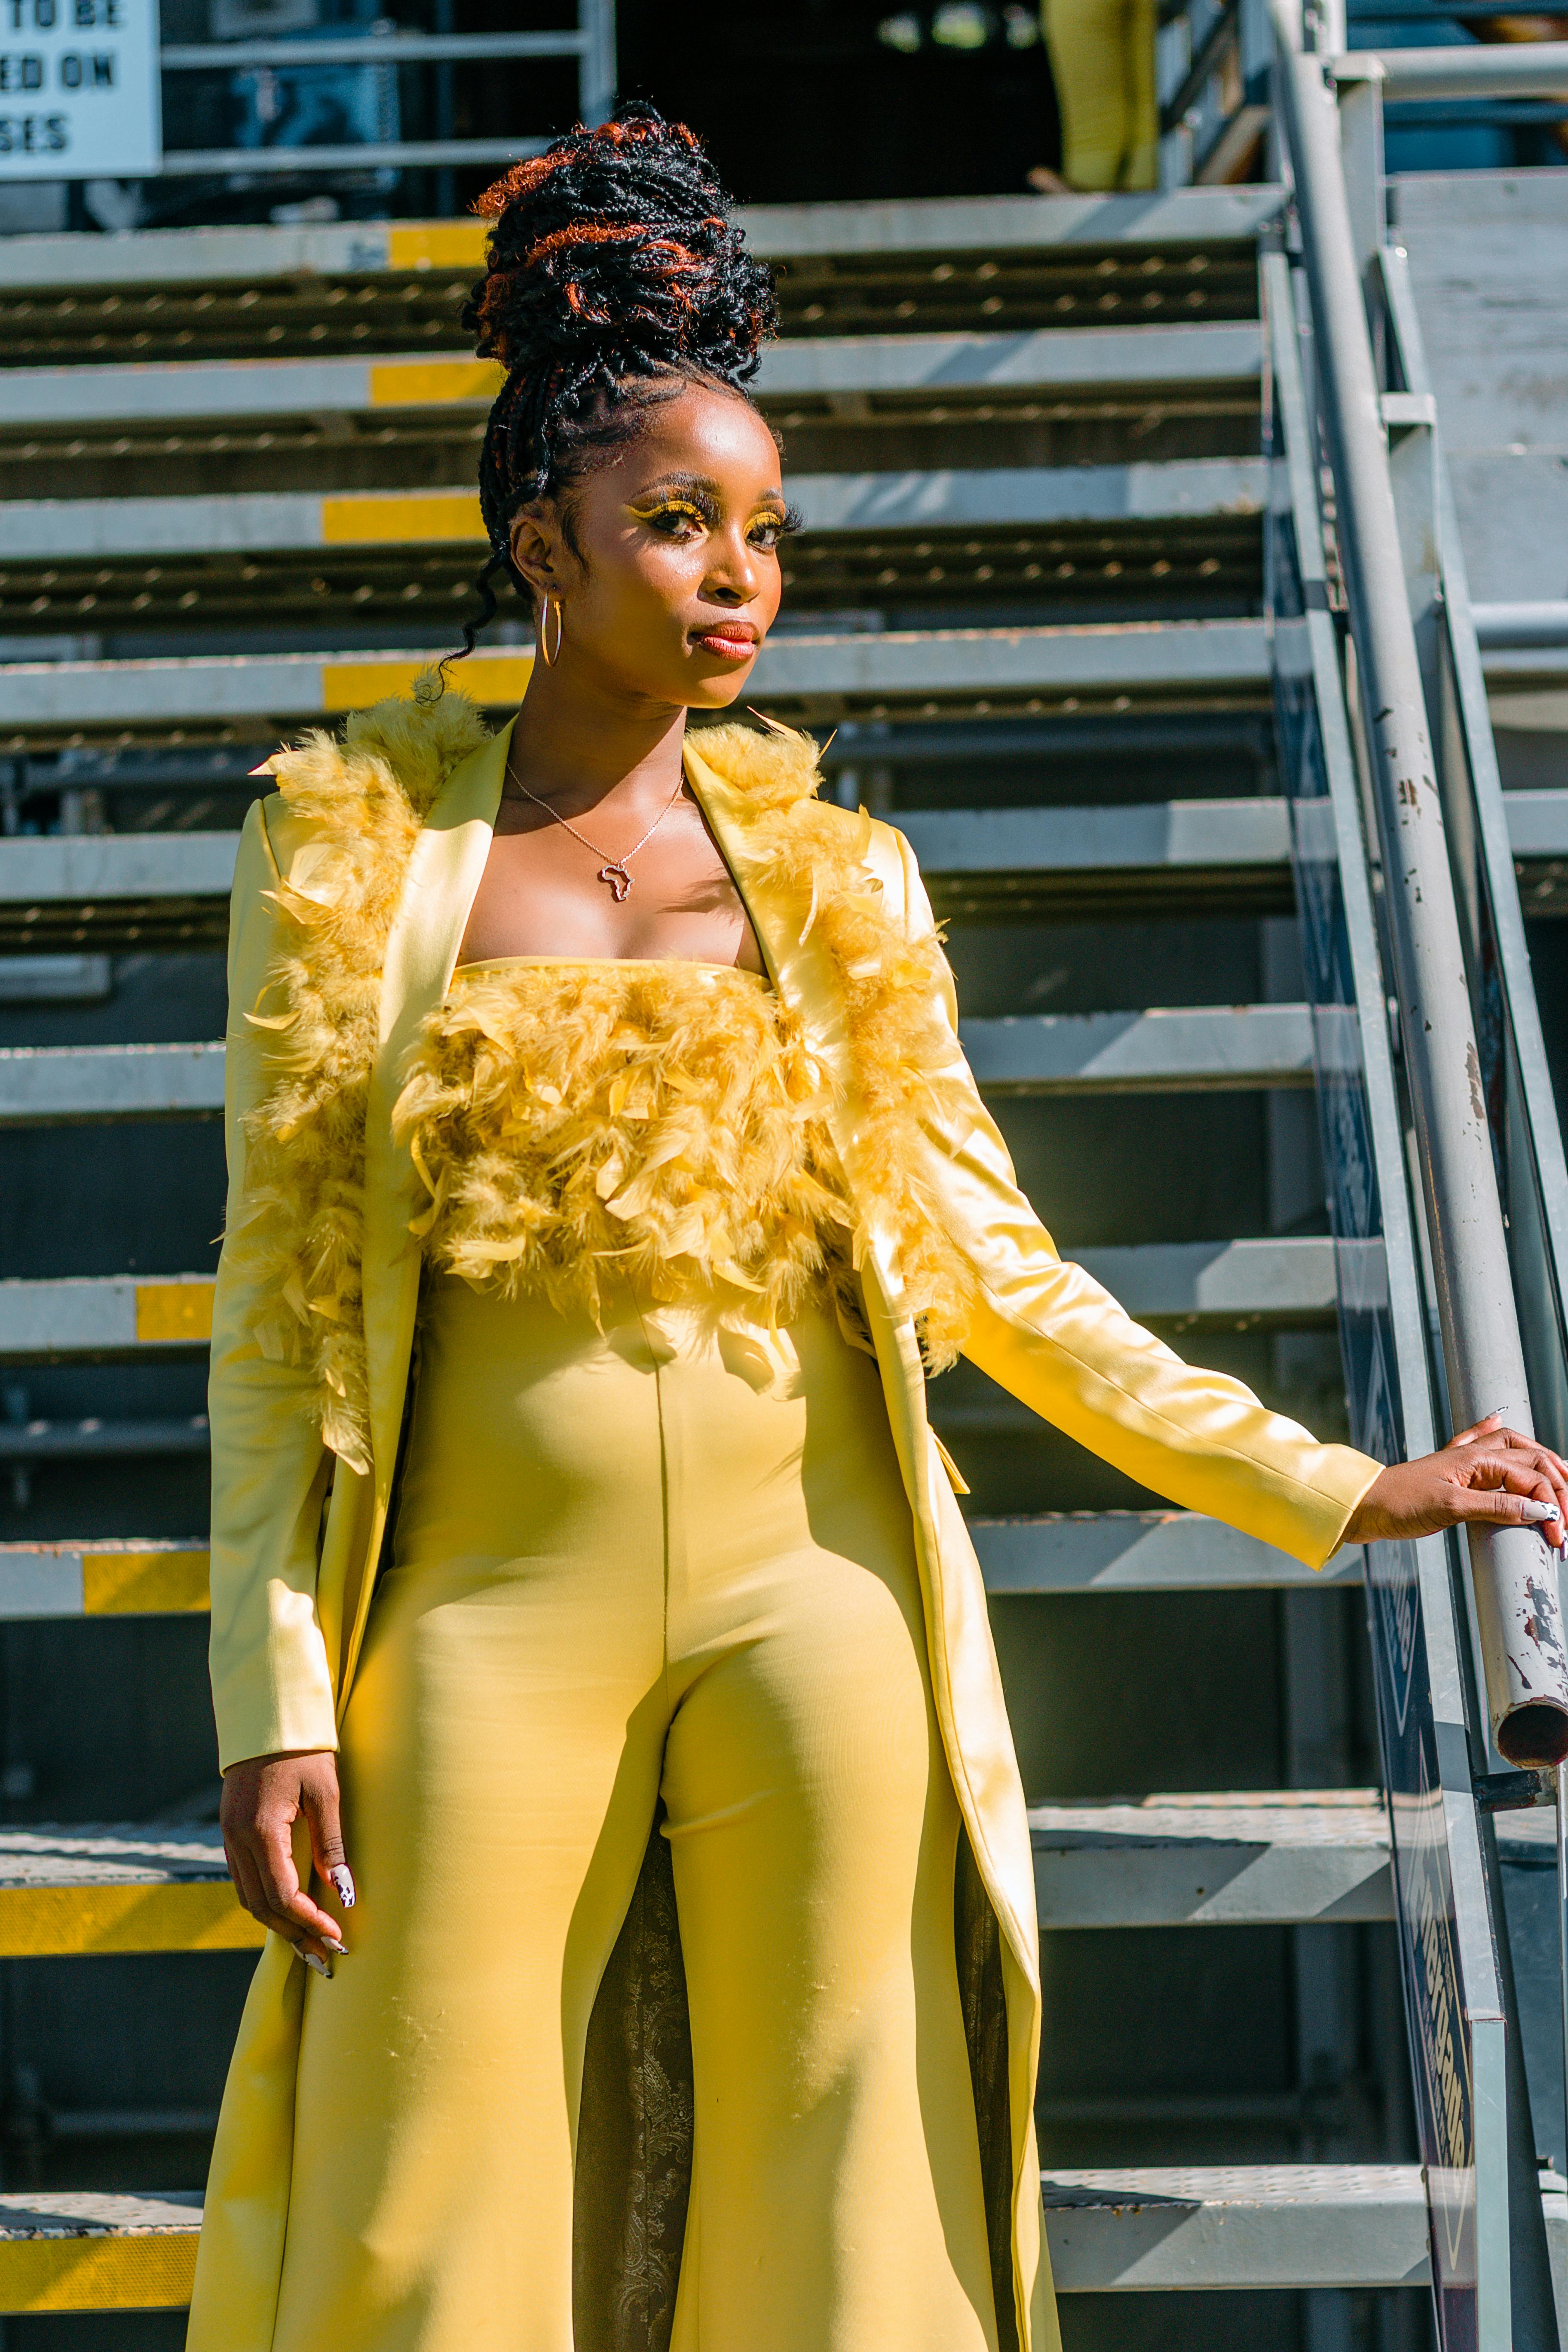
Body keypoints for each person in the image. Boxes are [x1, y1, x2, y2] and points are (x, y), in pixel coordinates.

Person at [188, 105, 1568, 2352]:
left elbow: (1001, 1275)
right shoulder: (350, 863)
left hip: (818, 1602)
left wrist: (1342, 1486)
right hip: (464, 1618)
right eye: (676, 526)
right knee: (422, 2226)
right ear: (545, 543)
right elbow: (274, 1315)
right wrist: (270, 1692)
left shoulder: (841, 884)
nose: (736, 577)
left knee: (860, 2229)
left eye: (764, 532)